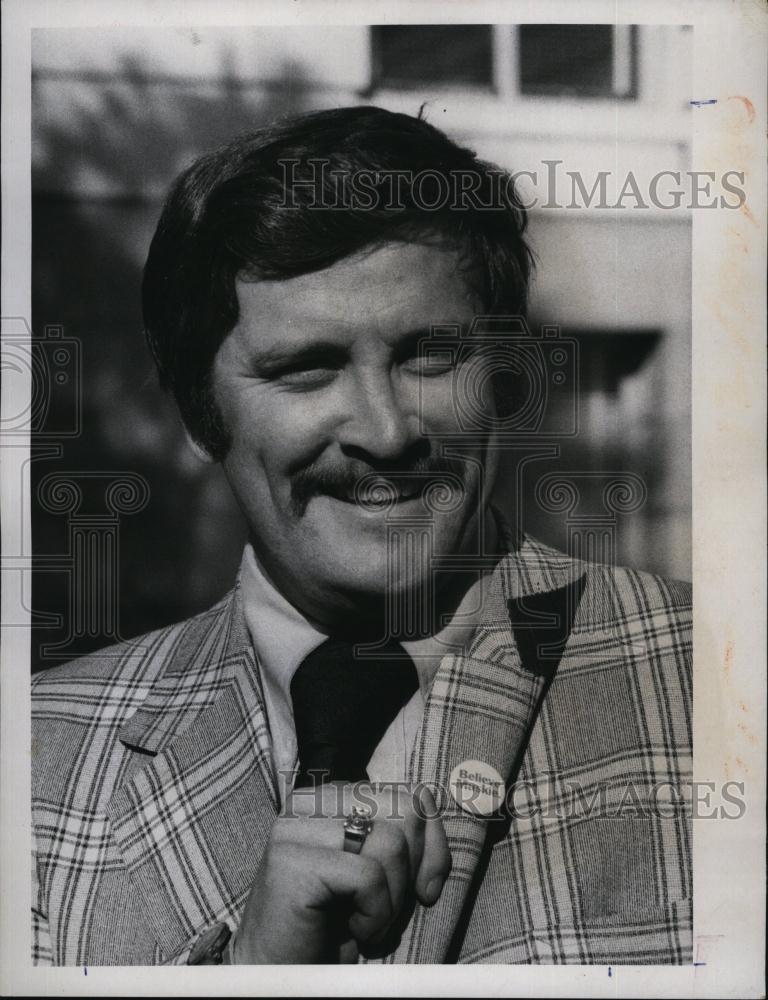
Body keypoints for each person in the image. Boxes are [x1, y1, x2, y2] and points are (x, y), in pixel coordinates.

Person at [31, 106, 692, 966]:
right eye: (306, 368)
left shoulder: (707, 678)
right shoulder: (37, 760)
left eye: (431, 355)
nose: (385, 432)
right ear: (199, 414)